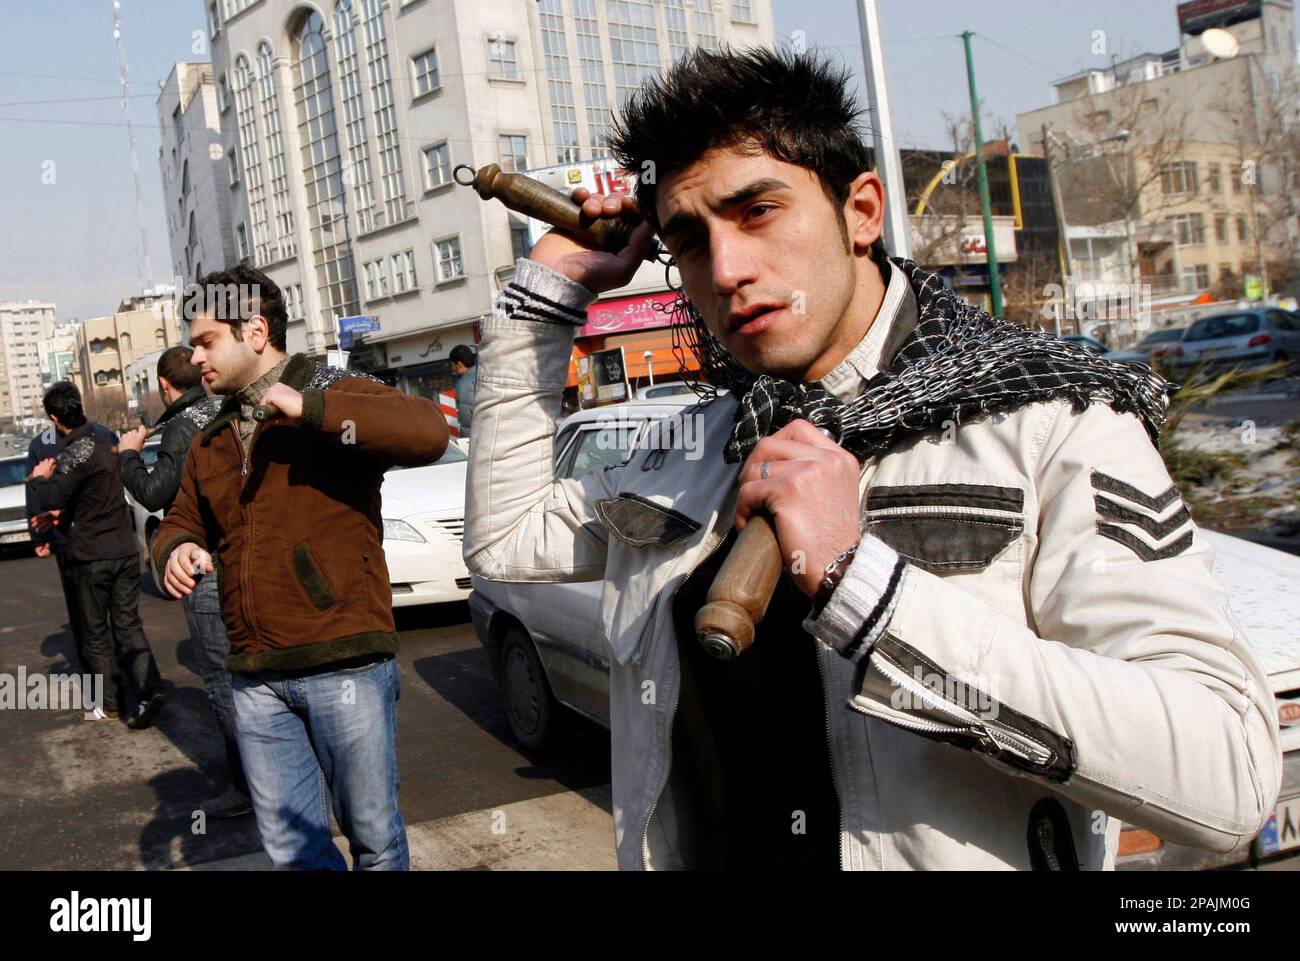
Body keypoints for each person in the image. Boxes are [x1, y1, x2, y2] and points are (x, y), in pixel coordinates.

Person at [464, 48, 1281, 870]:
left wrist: (868, 589)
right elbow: (506, 539)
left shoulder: (1049, 419)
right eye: (690, 238)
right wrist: (543, 300)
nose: (728, 269)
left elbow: (1228, 776)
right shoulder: (703, 446)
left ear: (861, 211)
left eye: (758, 211)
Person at [154, 263, 448, 870]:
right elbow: (182, 516)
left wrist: (313, 409)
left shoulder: (331, 388)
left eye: (206, 342)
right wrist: (174, 548)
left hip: (345, 660)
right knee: (293, 849)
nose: (196, 358)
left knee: (374, 841)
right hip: (254, 675)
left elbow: (429, 432)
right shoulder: (209, 436)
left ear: (255, 331)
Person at [117, 345, 250, 818]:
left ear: (163, 386)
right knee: (258, 675)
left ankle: (247, 790)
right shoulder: (225, 405)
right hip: (244, 557)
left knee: (221, 679)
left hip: (205, 563)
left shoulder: (180, 424)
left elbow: (156, 492)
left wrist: (130, 457)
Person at [28, 382, 164, 727]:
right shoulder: (106, 440)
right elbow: (92, 496)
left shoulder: (76, 449)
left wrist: (39, 479)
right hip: (123, 548)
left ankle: (111, 703)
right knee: (129, 624)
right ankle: (149, 691)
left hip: (92, 555)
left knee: (96, 633)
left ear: (55, 418)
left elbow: (53, 496)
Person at [26, 418, 118, 673]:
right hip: (112, 536)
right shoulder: (104, 434)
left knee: (83, 616)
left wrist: (40, 538)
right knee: (120, 615)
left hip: (70, 540)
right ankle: (126, 671)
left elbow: (35, 492)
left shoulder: (41, 444)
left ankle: (96, 678)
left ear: (53, 417)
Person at [448, 344, 477, 438]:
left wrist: (465, 440)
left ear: (459, 364)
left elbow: (467, 420)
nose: (452, 368)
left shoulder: (462, 384)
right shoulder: (484, 373)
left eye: (452, 365)